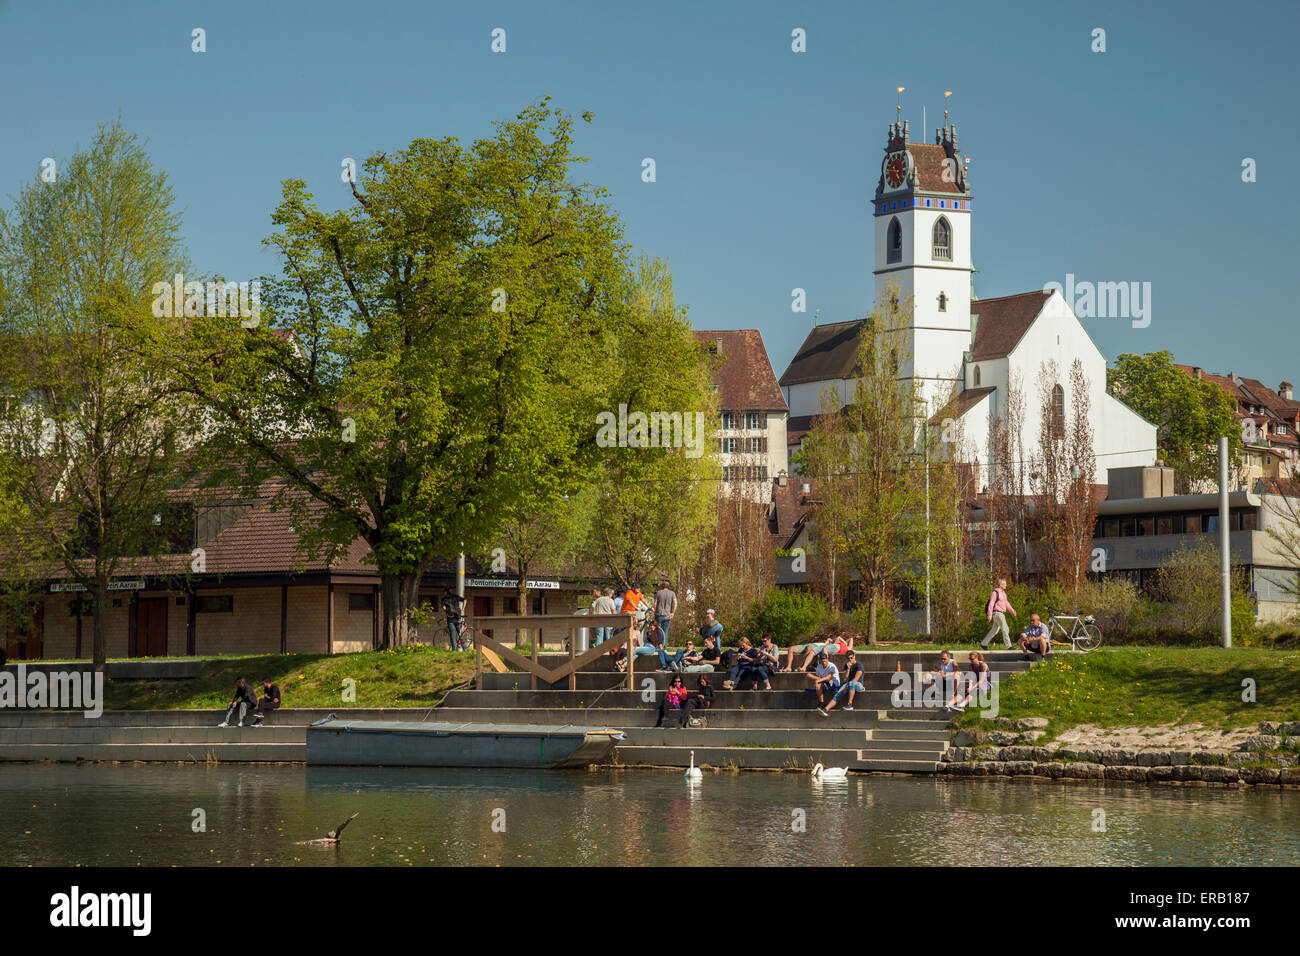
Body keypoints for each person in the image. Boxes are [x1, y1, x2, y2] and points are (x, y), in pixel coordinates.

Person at [819, 649, 863, 715]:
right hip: (849, 684)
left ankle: (849, 704)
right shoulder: (846, 665)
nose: (850, 660)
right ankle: (825, 709)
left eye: (851, 658)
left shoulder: (859, 665)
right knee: (838, 694)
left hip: (858, 685)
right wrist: (848, 669)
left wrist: (847, 686)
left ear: (854, 656)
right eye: (848, 658)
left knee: (851, 683)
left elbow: (856, 679)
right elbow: (844, 678)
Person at [783, 634, 853, 672]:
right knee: (813, 652)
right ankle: (803, 667)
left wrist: (844, 643)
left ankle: (826, 667)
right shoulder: (841, 643)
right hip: (828, 646)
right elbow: (839, 638)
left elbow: (851, 639)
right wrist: (844, 642)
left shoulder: (848, 648)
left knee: (823, 649)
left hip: (833, 648)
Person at [981, 577, 1016, 649]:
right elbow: (991, 604)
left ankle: (983, 644)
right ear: (1000, 585)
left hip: (1001, 613)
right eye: (1004, 584)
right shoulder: (995, 593)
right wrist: (989, 615)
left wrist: (1012, 610)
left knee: (994, 630)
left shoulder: (1003, 593)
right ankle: (1009, 646)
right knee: (1005, 628)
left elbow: (1006, 603)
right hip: (997, 613)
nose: (1006, 585)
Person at [653, 580, 678, 648]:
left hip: (659, 614)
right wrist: (673, 613)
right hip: (668, 615)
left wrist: (655, 611)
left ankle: (658, 646)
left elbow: (655, 603)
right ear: (668, 586)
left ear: (662, 586)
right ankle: (664, 647)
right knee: (665, 632)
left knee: (658, 631)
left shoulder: (658, 592)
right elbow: (675, 603)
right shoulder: (672, 593)